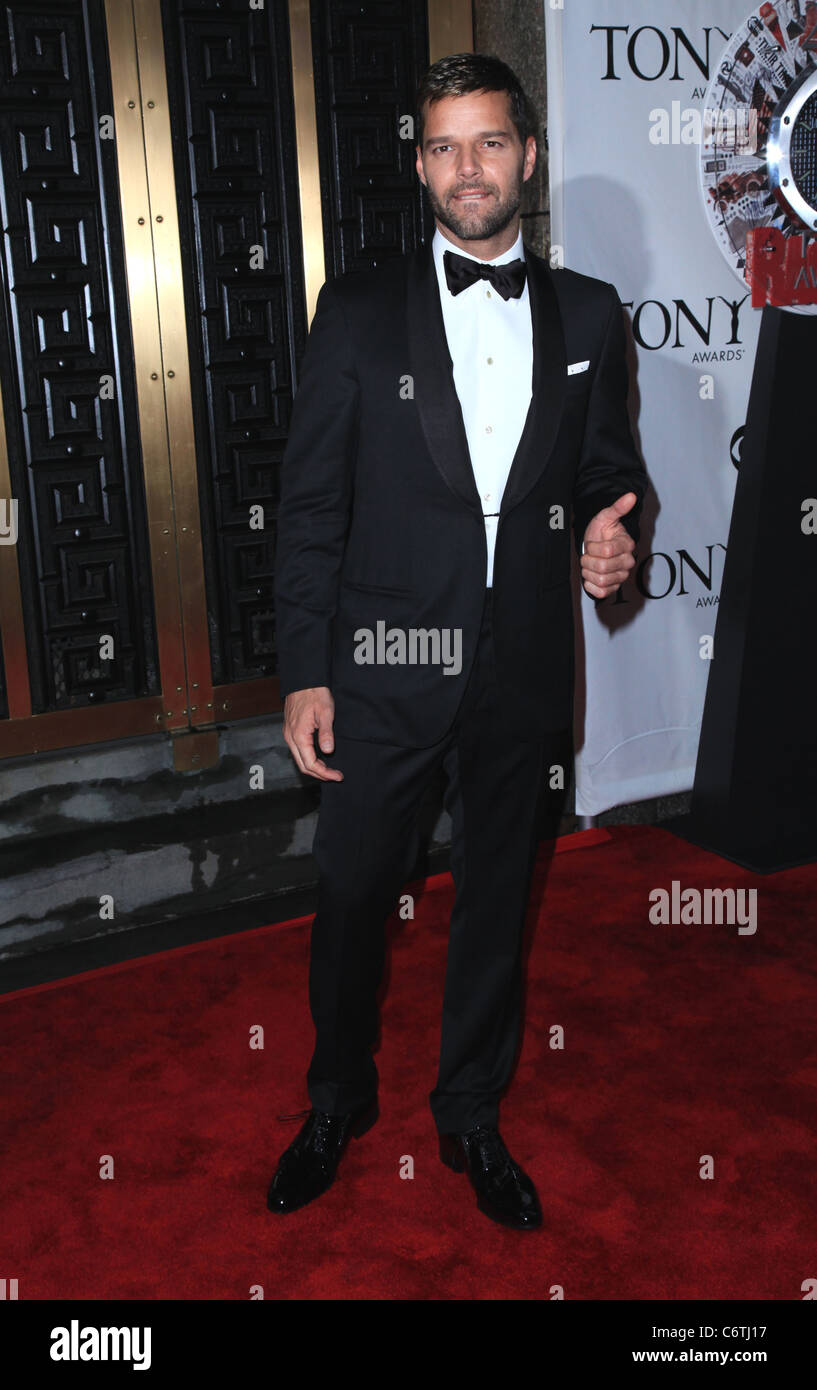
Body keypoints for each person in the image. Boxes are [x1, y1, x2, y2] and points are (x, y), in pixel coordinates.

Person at [268, 52, 647, 1230]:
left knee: (495, 902)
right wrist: (304, 673)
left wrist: (606, 529)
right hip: (382, 661)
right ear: (419, 162)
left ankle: (470, 1113)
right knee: (350, 890)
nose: (464, 168)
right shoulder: (360, 306)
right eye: (441, 146)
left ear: (526, 157)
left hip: (523, 664)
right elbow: (314, 504)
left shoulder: (587, 313)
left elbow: (609, 470)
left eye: (487, 143)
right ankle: (335, 1099)